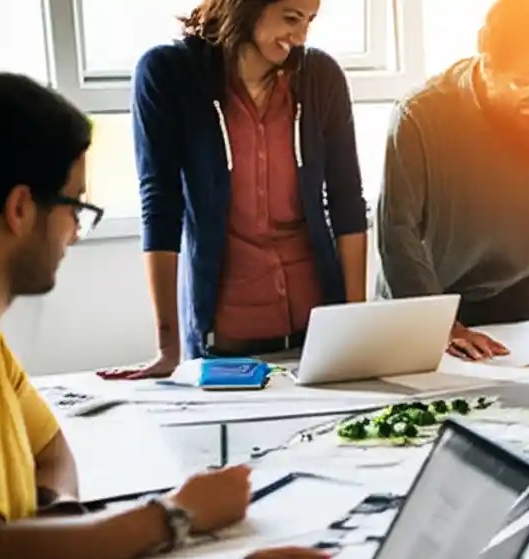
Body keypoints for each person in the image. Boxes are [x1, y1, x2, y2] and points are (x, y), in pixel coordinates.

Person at [0, 71, 334, 559]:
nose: (77, 234)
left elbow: (51, 448)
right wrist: (176, 525)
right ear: (20, 208)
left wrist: (57, 525)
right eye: (76, 208)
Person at [99, 0, 369, 378]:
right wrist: (167, 349)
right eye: (291, 18)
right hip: (224, 340)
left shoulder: (320, 77)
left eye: (310, 20)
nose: (302, 35)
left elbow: (348, 203)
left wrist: (355, 328)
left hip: (319, 331)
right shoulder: (168, 74)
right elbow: (160, 207)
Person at [376, 0, 529, 361]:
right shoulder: (418, 117)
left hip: (512, 301)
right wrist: (442, 323)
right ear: (487, 64)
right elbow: (397, 232)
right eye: (524, 81)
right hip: (428, 304)